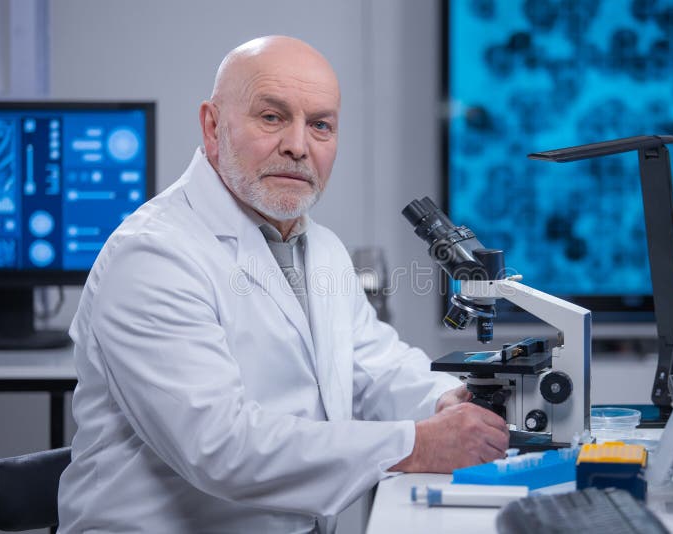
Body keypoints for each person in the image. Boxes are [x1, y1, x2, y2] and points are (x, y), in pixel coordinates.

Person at [57, 35, 509, 533]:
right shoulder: (153, 256)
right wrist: (416, 445)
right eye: (271, 117)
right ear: (213, 126)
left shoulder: (321, 248)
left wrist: (448, 401)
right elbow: (220, 447)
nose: (297, 145)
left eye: (320, 125)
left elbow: (375, 368)